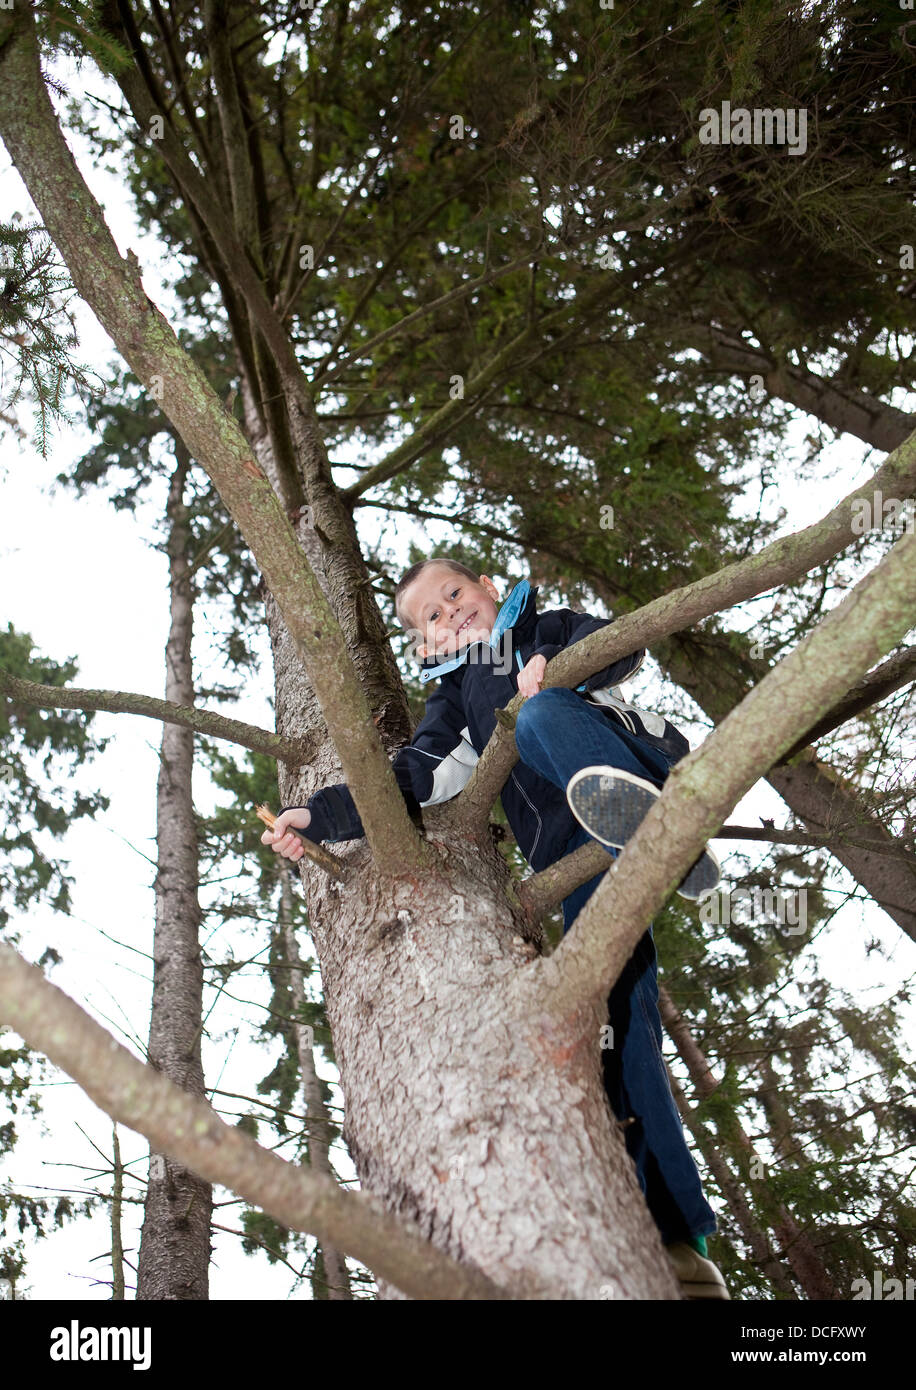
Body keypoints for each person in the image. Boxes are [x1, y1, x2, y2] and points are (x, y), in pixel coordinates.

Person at [262, 558, 729, 1298]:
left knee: (539, 714)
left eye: (455, 595)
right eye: (432, 619)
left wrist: (556, 661)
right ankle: (677, 1244)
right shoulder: (454, 704)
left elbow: (622, 644)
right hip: (582, 858)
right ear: (427, 648)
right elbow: (414, 773)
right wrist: (317, 815)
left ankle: (657, 827)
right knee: (613, 1015)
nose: (451, 615)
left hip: (630, 763)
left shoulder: (538, 624)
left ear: (489, 587)